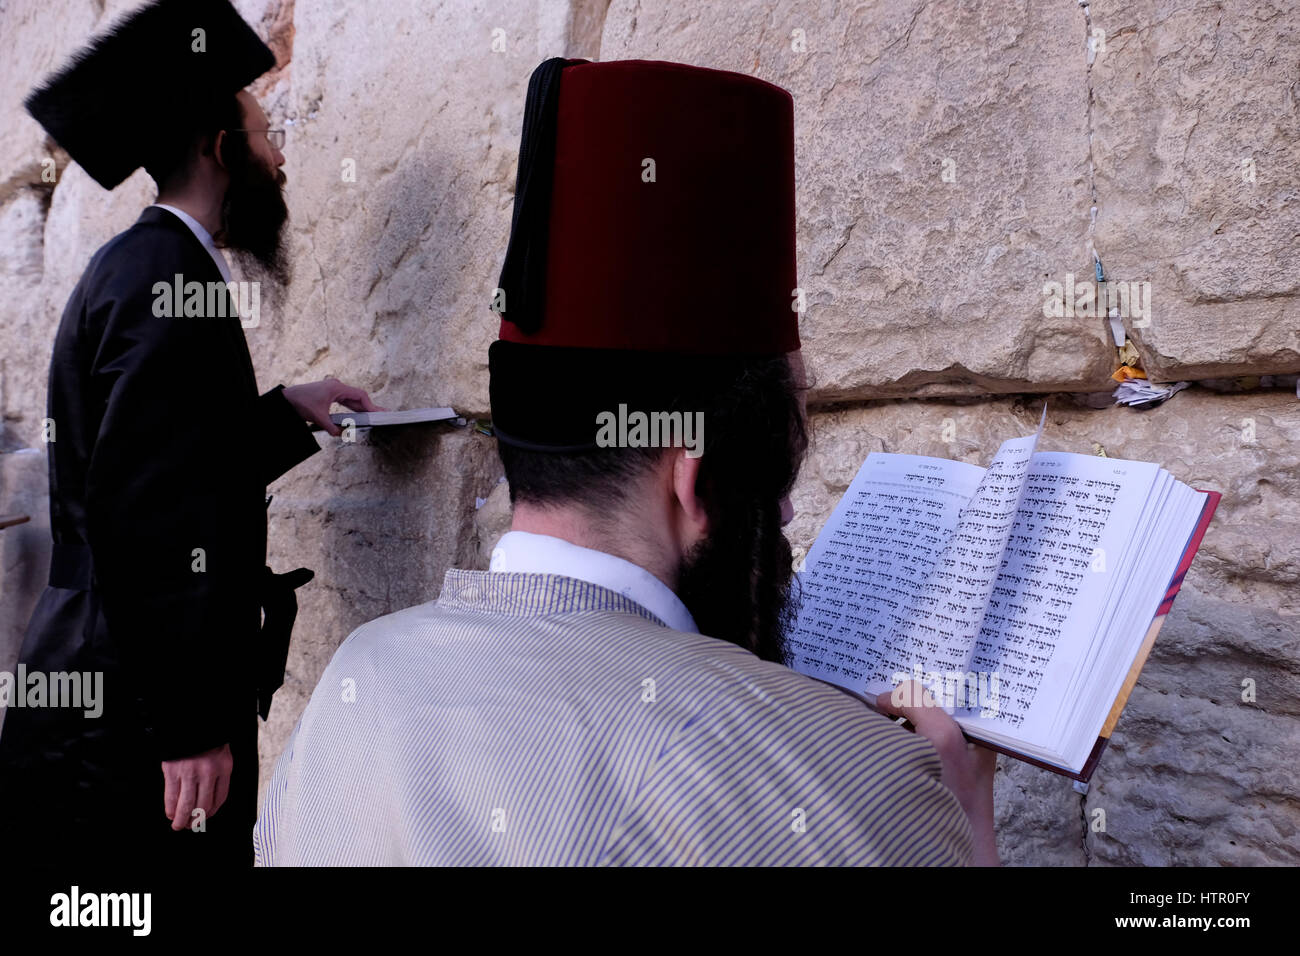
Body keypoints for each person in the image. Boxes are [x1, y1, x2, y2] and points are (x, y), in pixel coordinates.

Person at [255, 58, 997, 865]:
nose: (783, 514)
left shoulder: (354, 679)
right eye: (776, 479)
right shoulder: (862, 780)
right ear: (694, 478)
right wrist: (957, 824)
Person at [0, 0, 380, 868]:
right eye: (265, 134)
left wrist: (285, 410)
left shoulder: (142, 267)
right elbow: (147, 518)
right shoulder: (165, 280)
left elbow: (167, 467)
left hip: (114, 693)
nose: (280, 159)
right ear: (220, 149)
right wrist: (188, 729)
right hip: (130, 727)